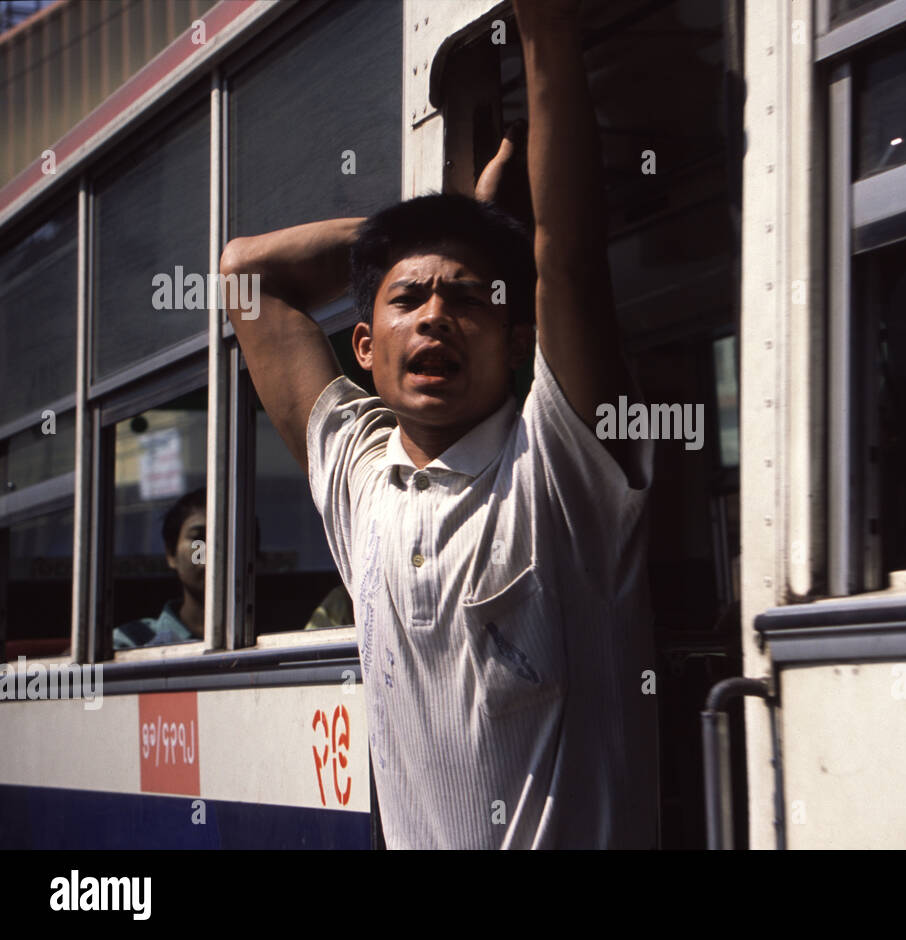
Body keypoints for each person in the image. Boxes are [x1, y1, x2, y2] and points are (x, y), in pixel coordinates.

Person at [219, 0, 657, 848]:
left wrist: (549, 37)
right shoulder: (360, 478)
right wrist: (448, 225)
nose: (434, 319)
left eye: (467, 299)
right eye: (407, 300)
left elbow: (565, 256)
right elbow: (242, 275)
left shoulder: (558, 469)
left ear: (519, 337)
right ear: (363, 347)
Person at [114, 486, 205, 649]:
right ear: (171, 554)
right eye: (199, 537)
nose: (213, 549)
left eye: (229, 536)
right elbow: (73, 675)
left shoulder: (264, 640)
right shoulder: (132, 642)